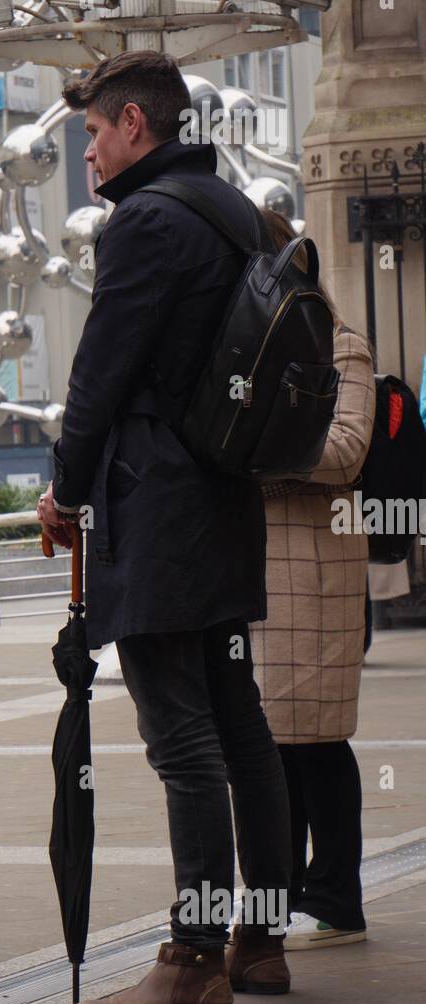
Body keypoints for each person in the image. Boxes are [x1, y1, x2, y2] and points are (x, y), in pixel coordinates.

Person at [37, 51, 293, 1004]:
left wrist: (65, 488)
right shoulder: (235, 210)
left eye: (95, 135)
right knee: (238, 720)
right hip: (225, 497)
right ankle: (259, 936)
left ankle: (193, 957)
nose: (91, 155)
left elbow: (102, 372)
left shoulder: (143, 223)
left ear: (135, 124)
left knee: (181, 732)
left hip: (158, 506)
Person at [251, 210, 375, 950]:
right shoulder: (243, 348)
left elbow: (347, 449)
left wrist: (253, 458)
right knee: (264, 742)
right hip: (252, 564)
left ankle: (334, 893)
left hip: (316, 569)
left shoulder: (340, 343)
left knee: (316, 739)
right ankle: (279, 894)